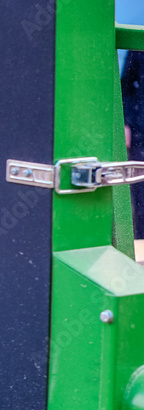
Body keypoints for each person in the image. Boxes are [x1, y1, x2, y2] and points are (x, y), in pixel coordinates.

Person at [119, 1, 144, 238]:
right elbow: (125, 85)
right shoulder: (139, 44)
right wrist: (125, 123)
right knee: (140, 190)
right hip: (140, 130)